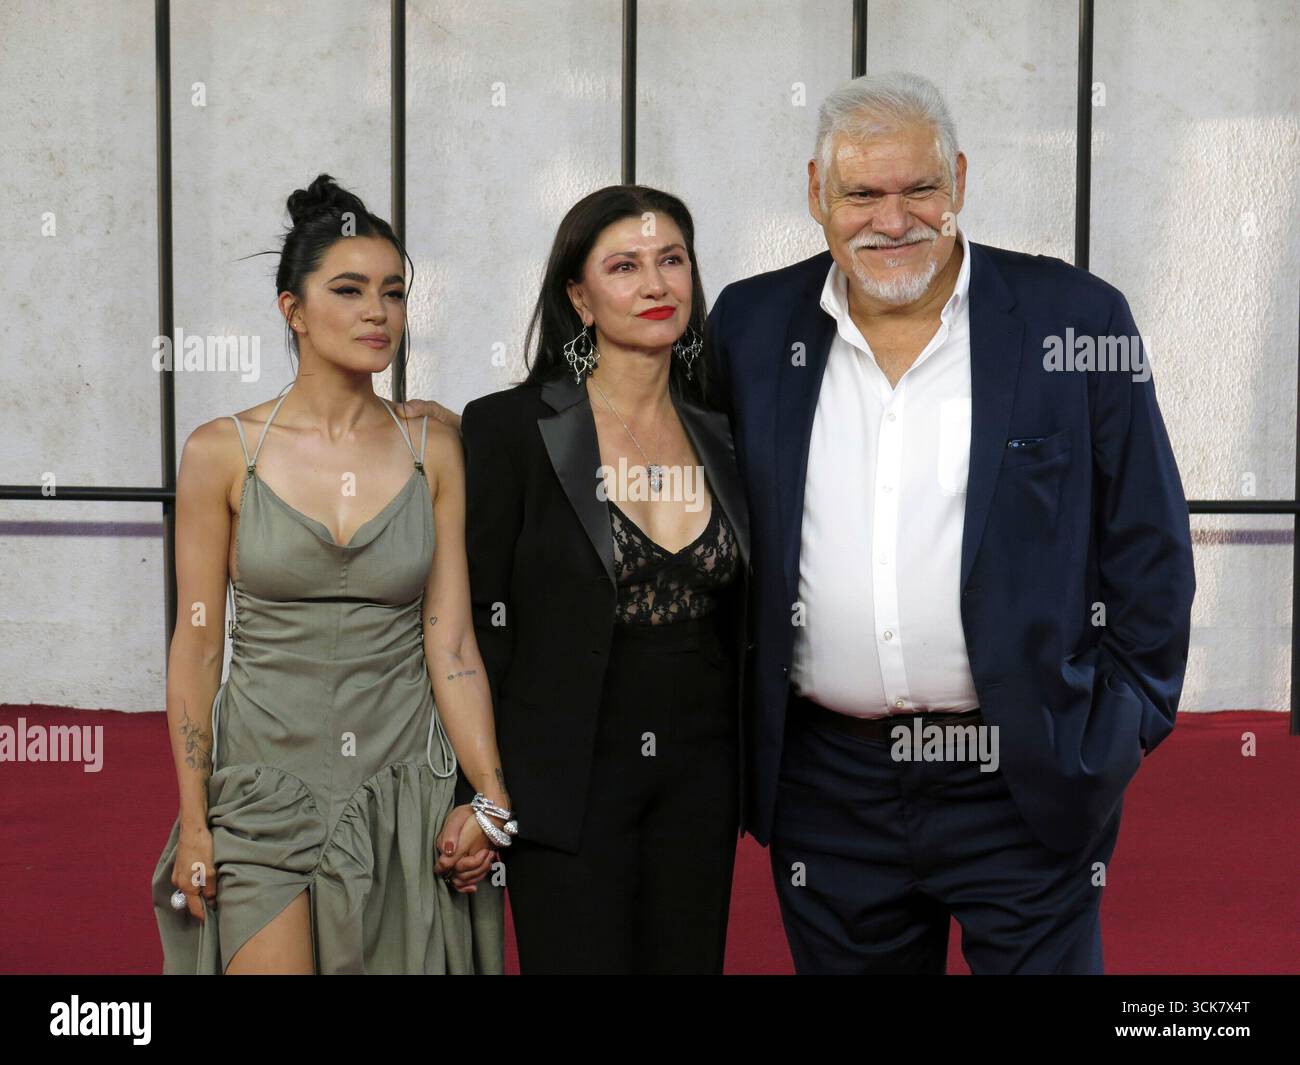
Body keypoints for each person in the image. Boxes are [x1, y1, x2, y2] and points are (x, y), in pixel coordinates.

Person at [704, 71, 1196, 974]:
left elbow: (1151, 545)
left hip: (1025, 777)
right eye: (861, 193)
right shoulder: (748, 325)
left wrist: (1113, 733)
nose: (893, 220)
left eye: (918, 188)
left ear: (959, 181)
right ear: (816, 193)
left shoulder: (1077, 319)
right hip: (828, 788)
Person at [150, 174, 508, 974]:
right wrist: (195, 819)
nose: (378, 312)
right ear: (293, 309)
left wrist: (489, 797)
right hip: (259, 793)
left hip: (400, 793)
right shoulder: (221, 452)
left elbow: (451, 642)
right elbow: (198, 649)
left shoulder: (432, 448)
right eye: (348, 290)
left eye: (393, 292)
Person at [435, 185, 750, 973]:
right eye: (625, 266)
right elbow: (471, 623)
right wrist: (478, 790)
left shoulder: (730, 423)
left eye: (672, 260)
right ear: (579, 297)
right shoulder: (509, 428)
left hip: (702, 777)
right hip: (563, 775)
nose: (656, 284)